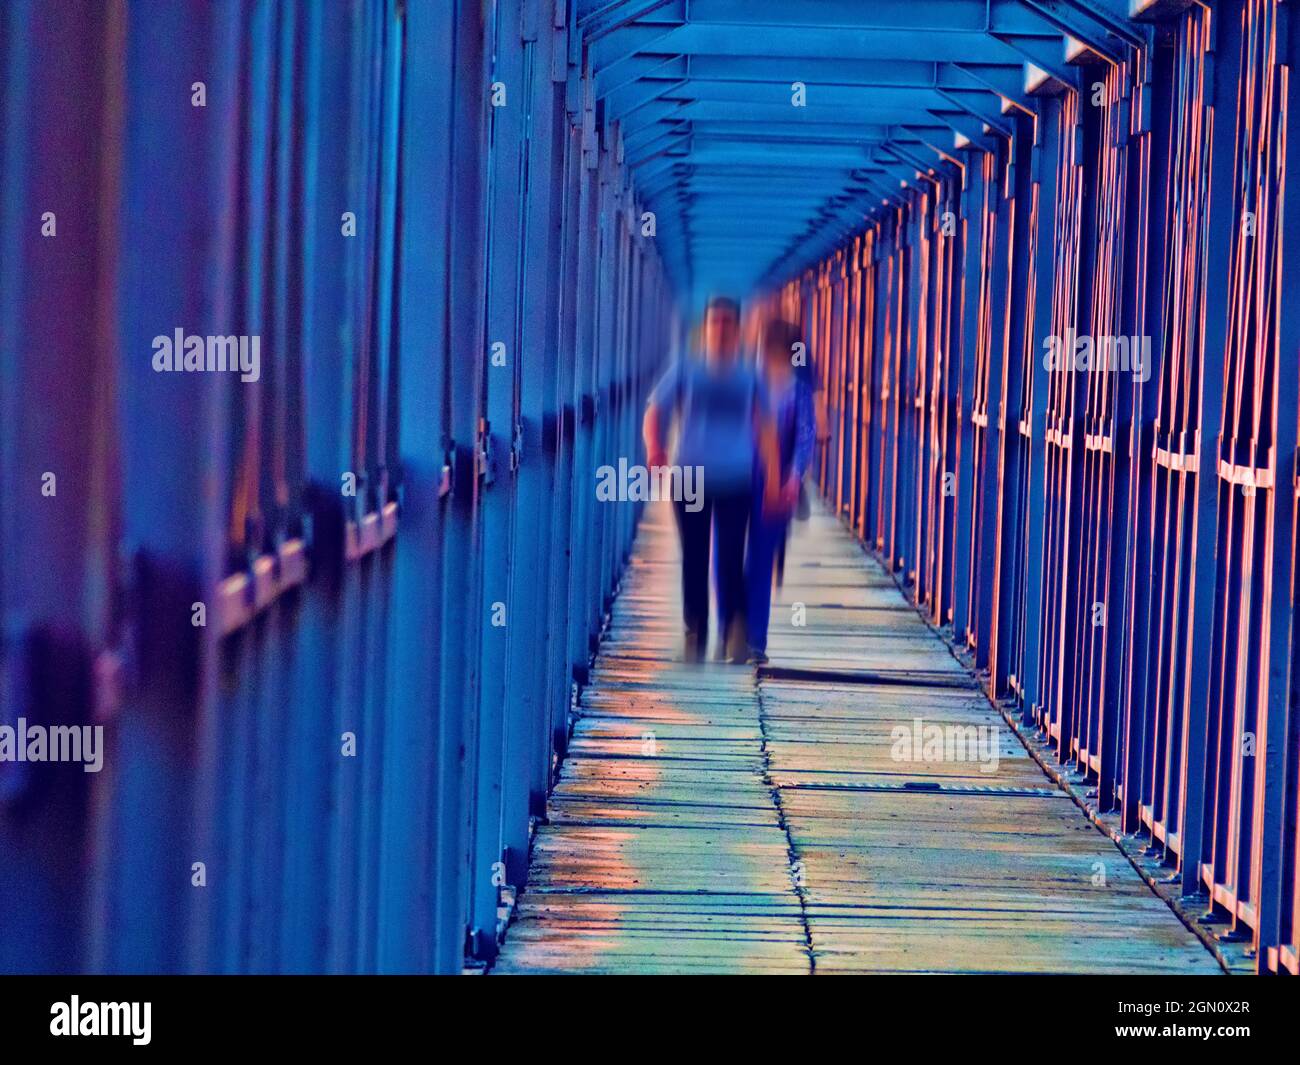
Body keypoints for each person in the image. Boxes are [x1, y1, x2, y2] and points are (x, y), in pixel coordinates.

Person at [644, 297, 764, 663]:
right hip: (691, 476)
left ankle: (733, 636)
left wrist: (773, 472)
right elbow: (655, 408)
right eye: (716, 323)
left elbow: (766, 424)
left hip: (736, 477)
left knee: (730, 557)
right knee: (694, 557)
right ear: (706, 328)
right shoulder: (687, 366)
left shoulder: (750, 374)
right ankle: (695, 633)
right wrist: (655, 451)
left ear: (739, 328)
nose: (722, 329)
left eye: (729, 323)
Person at [746, 319, 816, 664]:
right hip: (740, 481)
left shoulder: (797, 390)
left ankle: (754, 640)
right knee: (730, 556)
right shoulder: (748, 384)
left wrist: (792, 478)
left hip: (774, 490)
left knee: (760, 560)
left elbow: (805, 436)